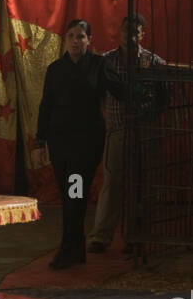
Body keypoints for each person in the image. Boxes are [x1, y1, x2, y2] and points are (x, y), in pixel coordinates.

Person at [31, 20, 123, 268]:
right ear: (65, 39)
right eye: (71, 36)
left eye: (80, 36)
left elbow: (120, 89)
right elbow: (46, 106)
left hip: (85, 144)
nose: (75, 41)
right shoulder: (56, 69)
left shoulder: (98, 65)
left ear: (89, 40)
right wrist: (40, 142)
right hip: (60, 142)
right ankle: (73, 248)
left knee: (75, 194)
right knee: (69, 194)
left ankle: (70, 249)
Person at [88, 15, 167, 256]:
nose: (129, 36)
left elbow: (163, 97)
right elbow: (98, 93)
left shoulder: (153, 62)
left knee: (143, 185)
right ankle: (101, 236)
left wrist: (148, 112)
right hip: (119, 129)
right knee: (112, 184)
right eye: (126, 31)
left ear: (143, 34)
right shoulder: (107, 61)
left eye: (135, 32)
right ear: (119, 32)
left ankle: (137, 235)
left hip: (145, 129)